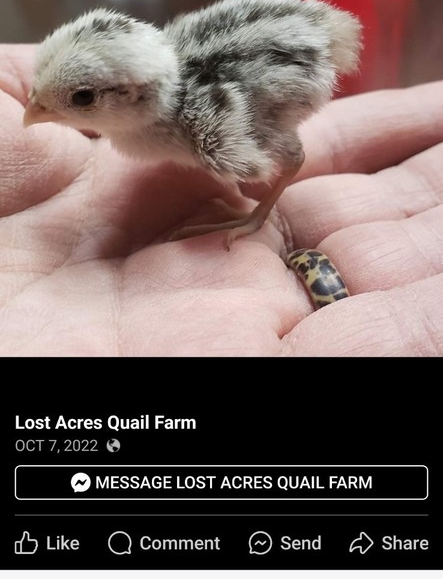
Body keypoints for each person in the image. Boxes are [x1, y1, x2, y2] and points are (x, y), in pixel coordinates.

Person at [1, 43, 442, 357]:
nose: (35, 109)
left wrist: (254, 216)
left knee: (239, 159)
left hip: (285, 66)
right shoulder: (156, 103)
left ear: (137, 93)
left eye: (82, 98)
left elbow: (282, 157)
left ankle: (257, 216)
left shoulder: (201, 129)